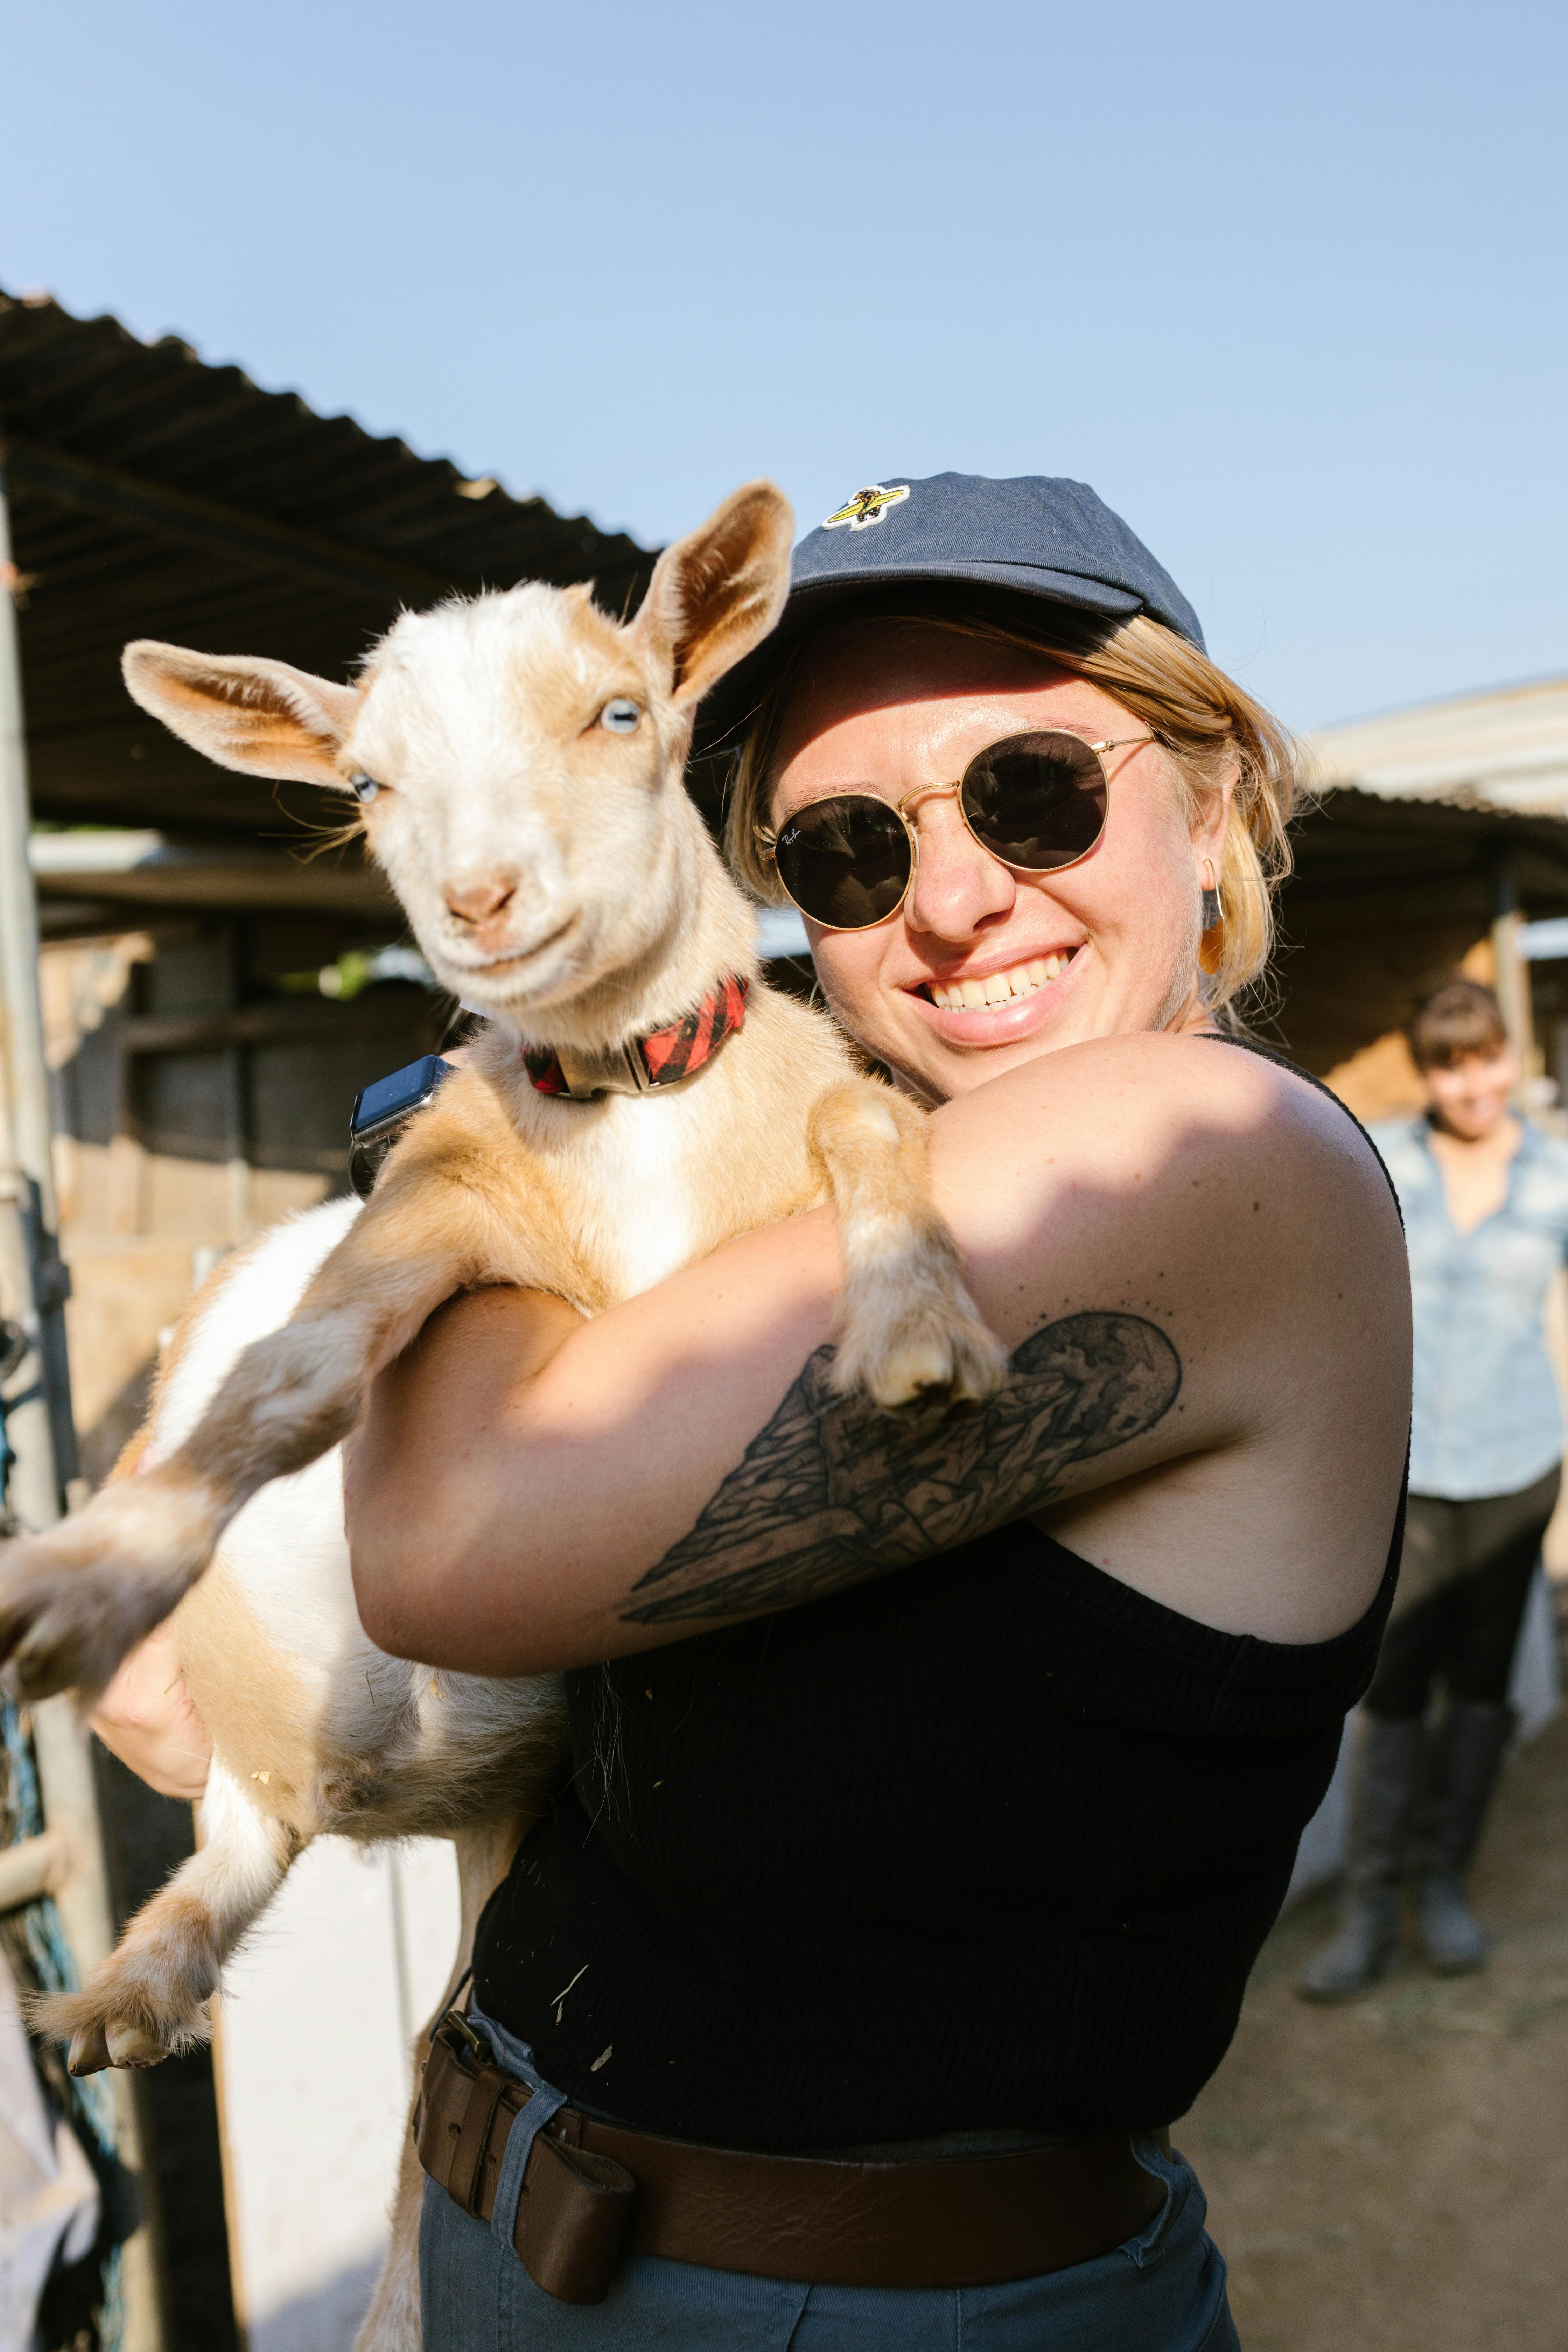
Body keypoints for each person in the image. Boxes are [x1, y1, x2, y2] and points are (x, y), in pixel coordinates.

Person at [99, 475, 1412, 2352]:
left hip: (810, 2306)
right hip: (540, 2227)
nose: (953, 901)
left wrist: (477, 1091)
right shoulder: (841, 1180)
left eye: (1037, 791)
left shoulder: (1192, 1155)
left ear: (1210, 807)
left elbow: (444, 1541)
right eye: (851, 852)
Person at [1300, 977, 1568, 1999]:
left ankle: (1444, 1885)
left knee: (1485, 1686)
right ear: (1428, 1071)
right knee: (1396, 1686)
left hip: (1518, 1465)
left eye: (1488, 1057)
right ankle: (1370, 1910)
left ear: (1512, 1058)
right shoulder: (1384, 1164)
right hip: (1412, 1472)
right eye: (1451, 1063)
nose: (1474, 1083)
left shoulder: (1555, 1176)